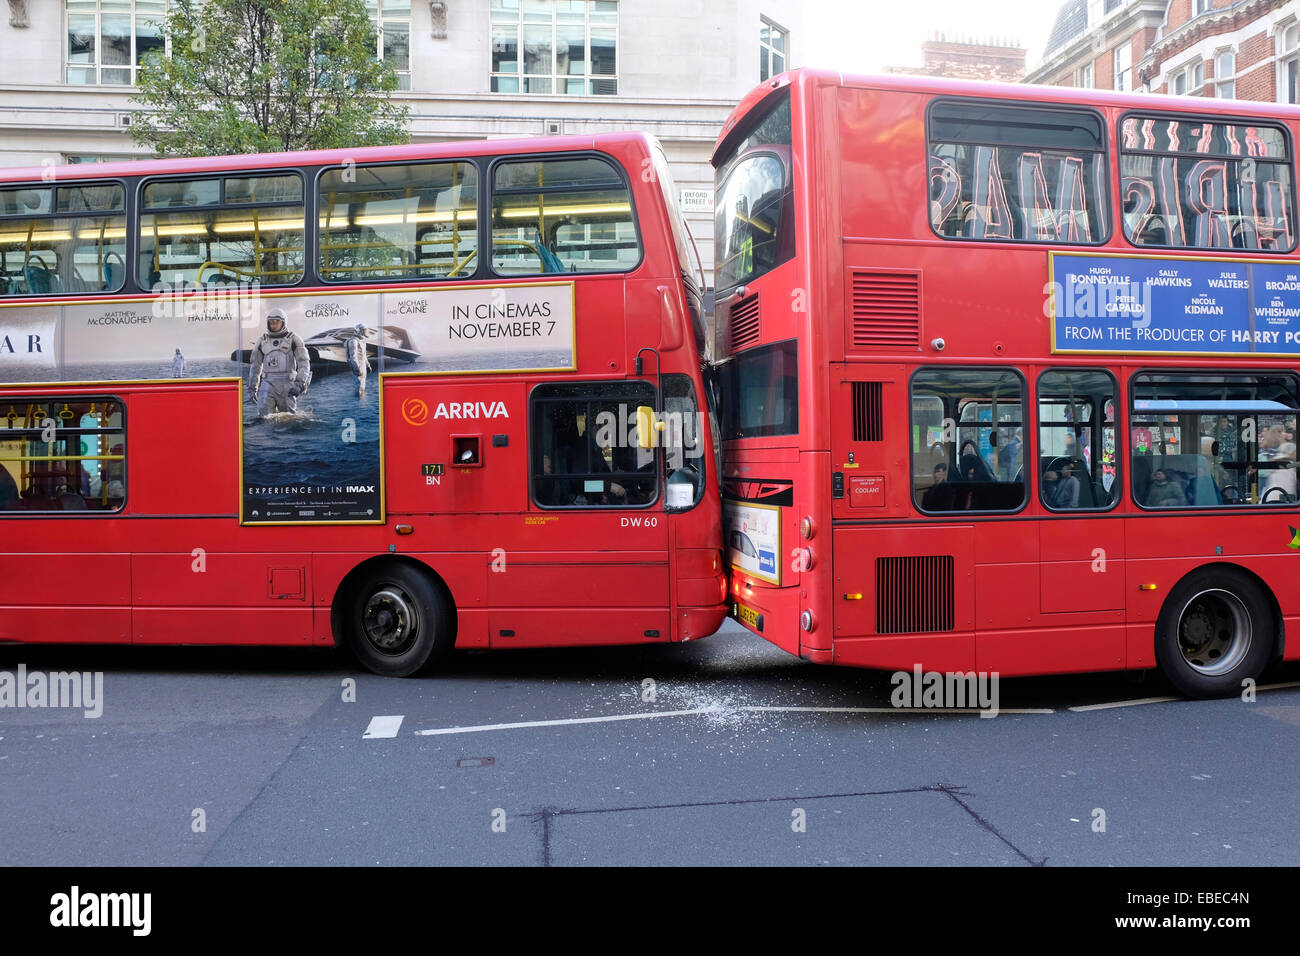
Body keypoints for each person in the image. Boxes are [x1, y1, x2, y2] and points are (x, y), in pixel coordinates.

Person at [248, 307, 310, 415]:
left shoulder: (294, 339)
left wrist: (299, 384)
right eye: (271, 322)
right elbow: (255, 366)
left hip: (287, 384)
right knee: (265, 417)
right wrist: (252, 388)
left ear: (283, 322)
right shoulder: (262, 341)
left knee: (288, 418)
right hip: (267, 383)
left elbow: (304, 363)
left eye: (277, 322)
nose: (273, 325)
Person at [346, 323, 370, 395]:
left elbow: (364, 355)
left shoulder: (361, 341)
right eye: (365, 330)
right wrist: (357, 369)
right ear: (360, 331)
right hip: (357, 367)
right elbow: (353, 357)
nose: (367, 331)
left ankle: (362, 404)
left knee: (362, 387)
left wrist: (367, 364)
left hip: (362, 366)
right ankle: (358, 404)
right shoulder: (353, 341)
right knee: (358, 388)